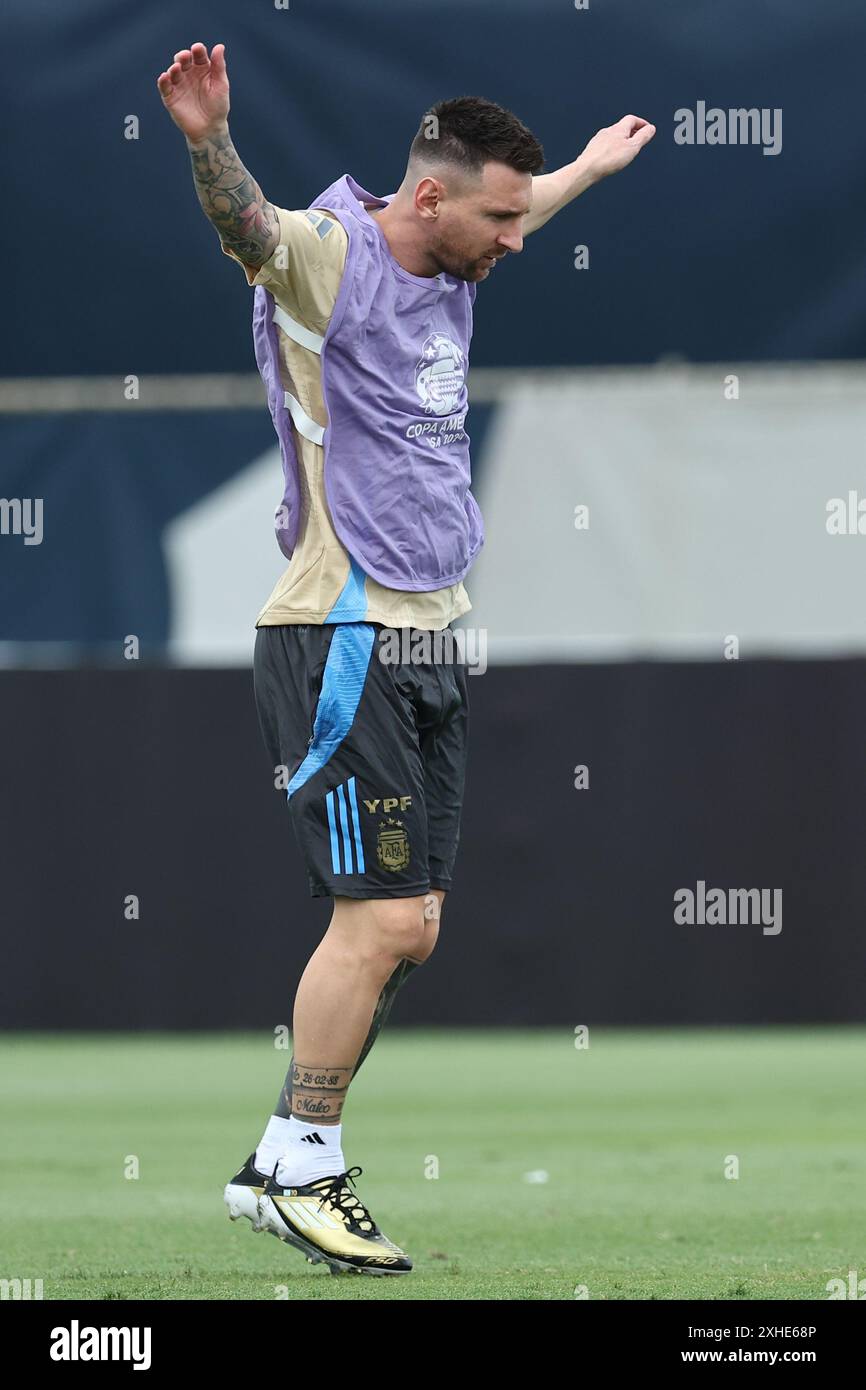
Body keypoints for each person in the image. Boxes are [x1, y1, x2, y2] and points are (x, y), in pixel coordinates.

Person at [157, 40, 654, 1277]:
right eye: (498, 215)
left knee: (414, 925)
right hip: (342, 631)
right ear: (427, 198)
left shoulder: (458, 242)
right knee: (375, 921)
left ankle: (288, 1156)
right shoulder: (331, 263)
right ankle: (297, 1162)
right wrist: (208, 138)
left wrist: (586, 166)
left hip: (426, 633)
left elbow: (516, 197)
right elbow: (246, 228)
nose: (516, 237)